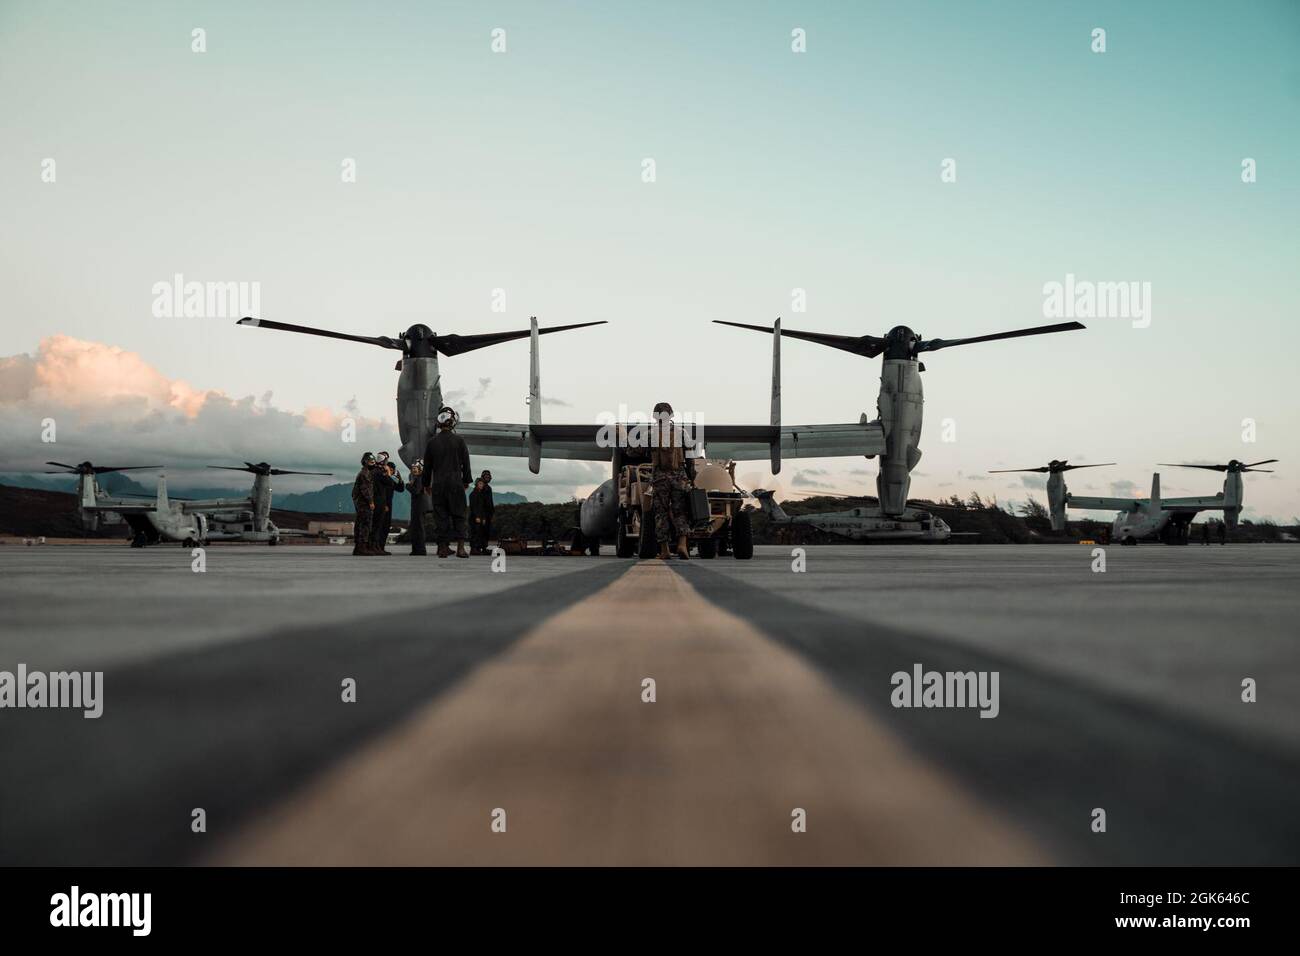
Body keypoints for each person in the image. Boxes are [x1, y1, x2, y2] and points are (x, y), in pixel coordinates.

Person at [422, 406, 473, 558]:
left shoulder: (432, 443)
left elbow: (427, 467)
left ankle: (442, 548)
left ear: (439, 423)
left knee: (441, 517)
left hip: (438, 485)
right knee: (459, 516)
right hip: (456, 484)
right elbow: (466, 463)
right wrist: (466, 481)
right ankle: (461, 548)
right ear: (453, 423)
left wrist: (426, 485)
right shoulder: (459, 441)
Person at [649, 401, 695, 560]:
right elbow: (690, 457)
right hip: (679, 476)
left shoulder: (651, 434)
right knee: (681, 511)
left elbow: (633, 452)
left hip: (660, 478)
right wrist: (691, 477)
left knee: (660, 513)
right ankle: (682, 544)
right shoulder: (682, 432)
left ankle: (665, 550)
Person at [370, 455, 400, 555]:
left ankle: (378, 547)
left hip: (381, 503)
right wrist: (388, 473)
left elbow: (400, 488)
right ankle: (376, 547)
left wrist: (399, 478)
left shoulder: (374, 472)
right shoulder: (380, 473)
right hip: (380, 503)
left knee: (382, 527)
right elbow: (389, 483)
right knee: (378, 527)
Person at [351, 452, 377, 556]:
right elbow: (365, 490)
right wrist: (370, 501)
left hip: (361, 502)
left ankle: (359, 547)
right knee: (365, 524)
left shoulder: (365, 473)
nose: (373, 463)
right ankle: (361, 547)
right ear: (366, 462)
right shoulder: (364, 474)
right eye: (371, 462)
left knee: (360, 523)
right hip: (364, 503)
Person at [406, 458, 428, 556]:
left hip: (419, 506)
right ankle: (416, 549)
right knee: (415, 528)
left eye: (416, 468)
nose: (414, 469)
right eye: (413, 468)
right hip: (417, 506)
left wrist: (408, 486)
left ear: (420, 469)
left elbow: (416, 491)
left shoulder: (419, 479)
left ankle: (420, 550)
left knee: (418, 527)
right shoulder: (416, 478)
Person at [468, 477, 492, 554]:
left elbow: (483, 507)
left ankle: (481, 548)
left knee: (482, 533)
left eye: (482, 484)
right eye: (480, 484)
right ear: (476, 484)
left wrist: (484, 518)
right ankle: (473, 549)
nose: (481, 485)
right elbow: (473, 507)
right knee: (475, 533)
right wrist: (476, 517)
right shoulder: (473, 494)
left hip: (482, 516)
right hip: (474, 517)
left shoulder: (482, 495)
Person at [479, 470, 495, 550]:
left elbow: (490, 502)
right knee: (480, 530)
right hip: (481, 514)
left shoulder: (488, 488)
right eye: (486, 476)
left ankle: (484, 547)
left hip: (488, 514)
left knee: (486, 531)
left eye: (489, 477)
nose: (488, 478)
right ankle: (477, 548)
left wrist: (492, 512)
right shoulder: (480, 487)